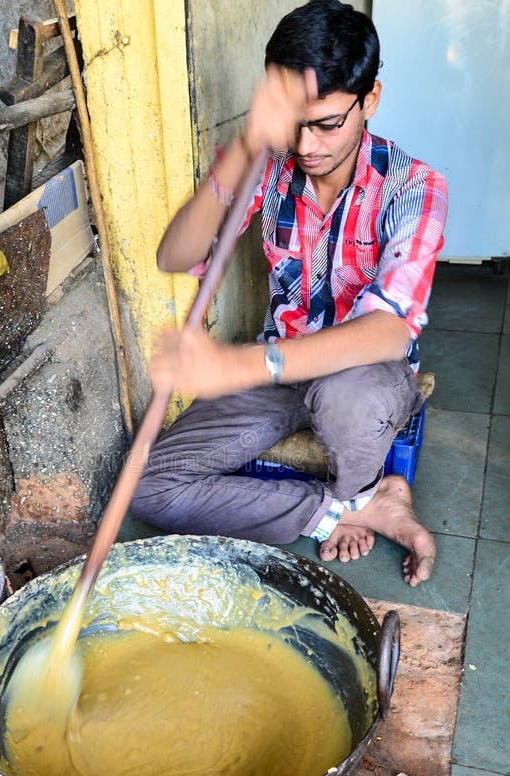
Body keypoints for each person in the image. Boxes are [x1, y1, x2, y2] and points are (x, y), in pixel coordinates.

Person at [130, 0, 448, 587]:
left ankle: (360, 484)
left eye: (326, 123)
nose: (306, 145)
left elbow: (390, 329)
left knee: (349, 402)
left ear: (369, 100)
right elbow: (174, 255)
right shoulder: (268, 166)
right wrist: (246, 149)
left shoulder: (415, 186)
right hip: (278, 374)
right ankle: (345, 508)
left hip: (363, 373)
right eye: (293, 122)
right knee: (149, 485)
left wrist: (241, 364)